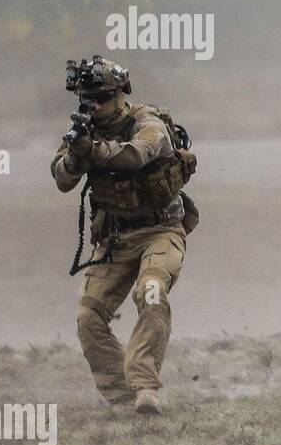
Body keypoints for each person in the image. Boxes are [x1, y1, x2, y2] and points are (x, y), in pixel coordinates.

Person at [51, 55, 198, 415]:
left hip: (161, 230)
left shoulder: (147, 123)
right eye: (86, 98)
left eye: (100, 97)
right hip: (115, 239)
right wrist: (75, 155)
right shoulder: (84, 133)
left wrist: (93, 151)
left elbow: (137, 155)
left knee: (151, 292)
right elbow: (62, 179)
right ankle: (122, 397)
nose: (93, 105)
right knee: (88, 316)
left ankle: (146, 386)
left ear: (120, 94)